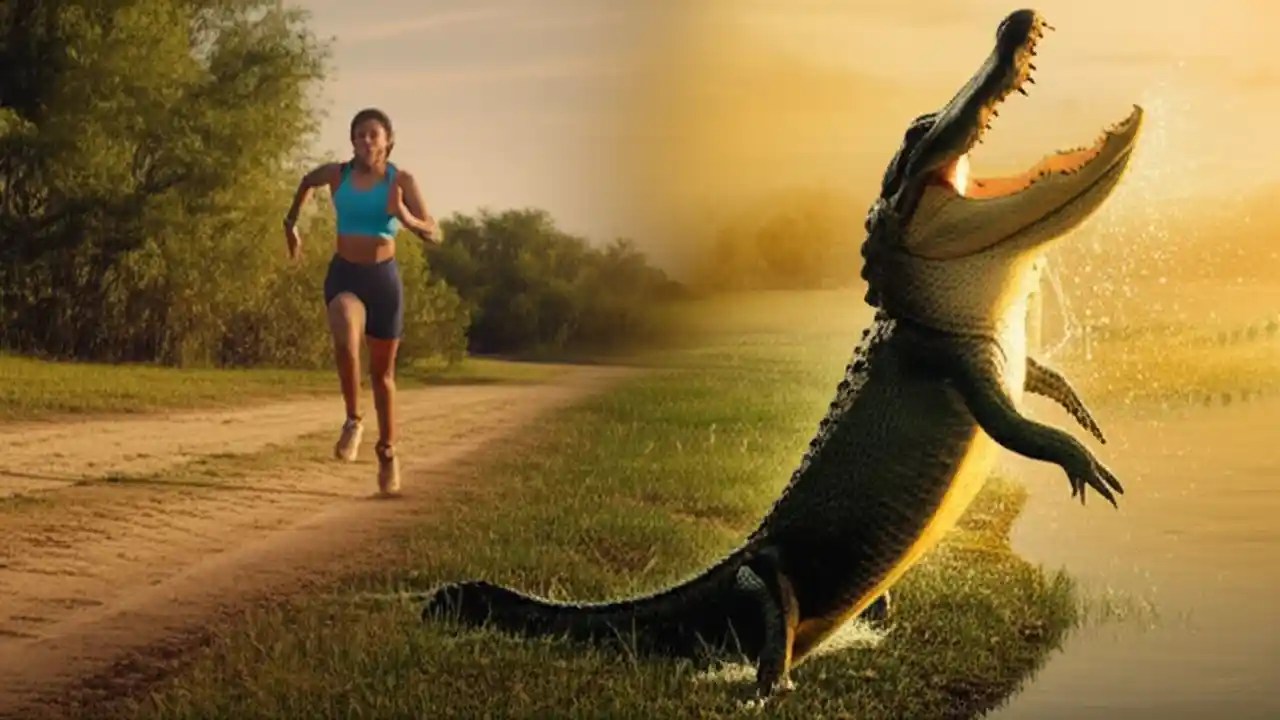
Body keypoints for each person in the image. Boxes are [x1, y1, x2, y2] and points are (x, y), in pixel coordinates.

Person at [281, 108, 442, 496]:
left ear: (388, 141)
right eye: (359, 135)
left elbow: (434, 233)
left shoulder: (400, 180)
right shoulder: (338, 175)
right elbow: (307, 181)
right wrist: (290, 225)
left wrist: (406, 217)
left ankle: (387, 452)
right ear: (352, 141)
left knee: (383, 376)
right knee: (344, 334)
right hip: (346, 274)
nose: (366, 141)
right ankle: (353, 419)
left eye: (373, 134)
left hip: (383, 280)